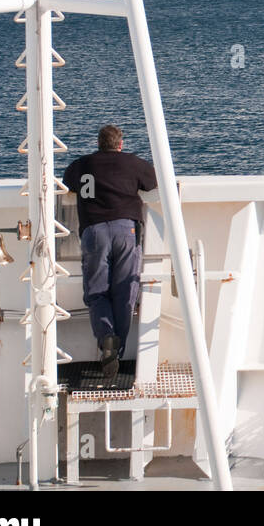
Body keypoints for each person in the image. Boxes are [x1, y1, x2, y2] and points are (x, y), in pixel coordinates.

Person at [62, 125, 157, 384]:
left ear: (98, 143)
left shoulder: (80, 165)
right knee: (125, 291)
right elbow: (152, 182)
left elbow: (67, 182)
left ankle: (106, 339)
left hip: (94, 232)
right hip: (125, 229)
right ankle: (117, 350)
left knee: (97, 292)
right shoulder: (133, 164)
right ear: (120, 144)